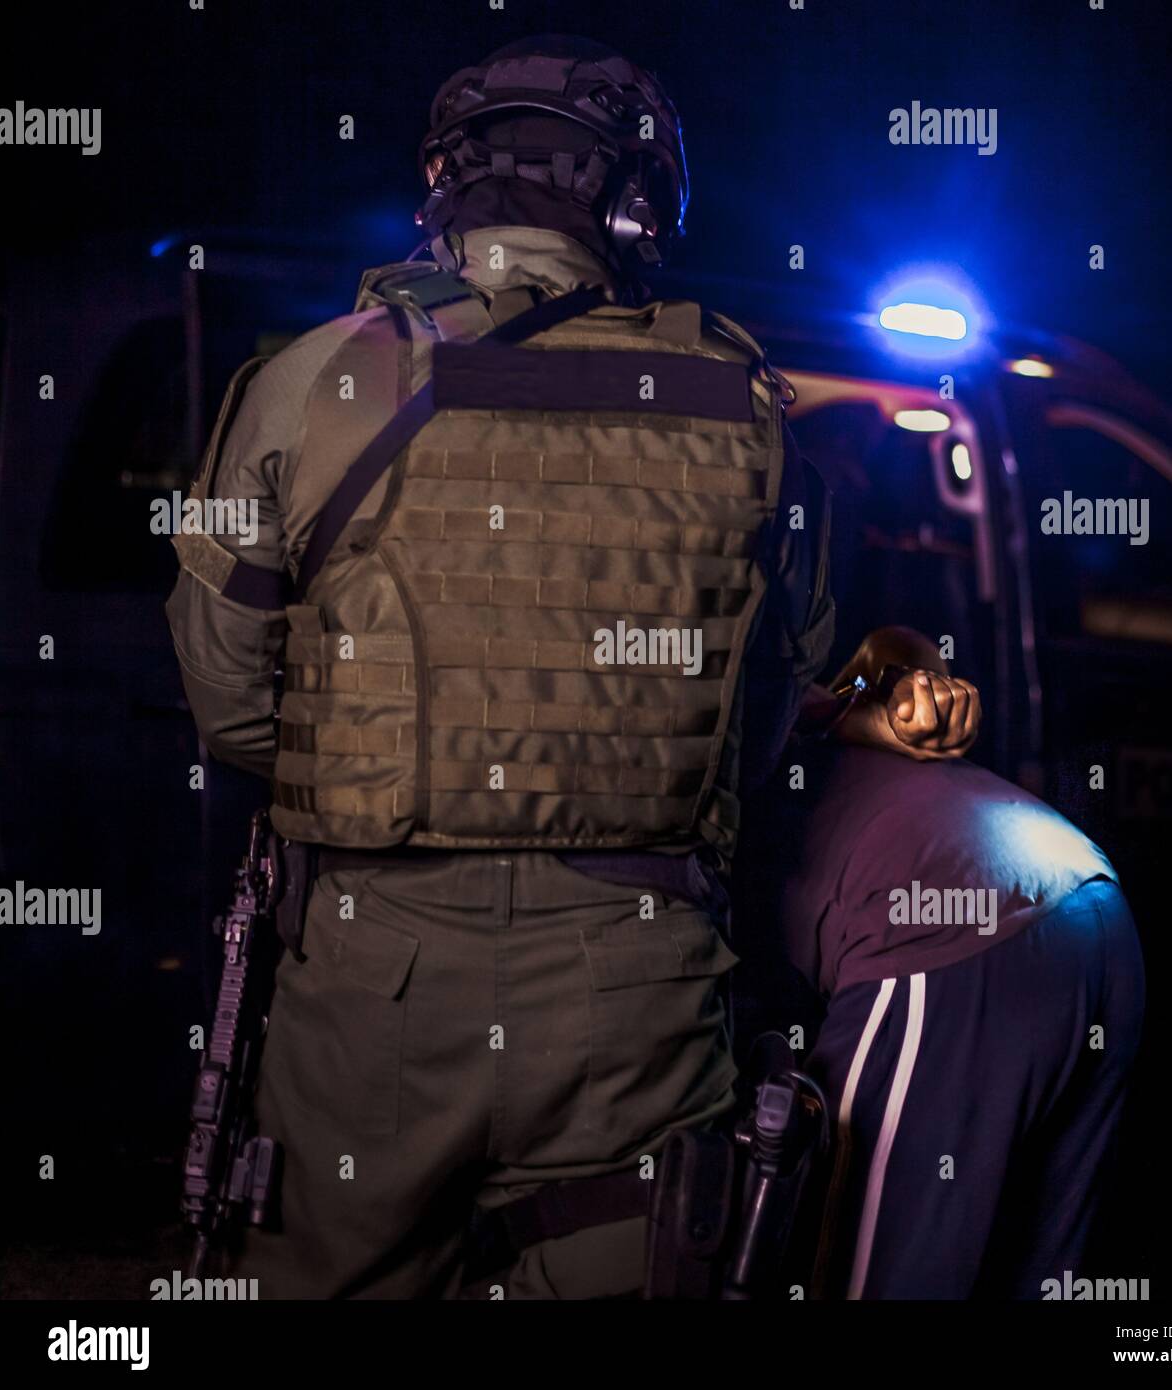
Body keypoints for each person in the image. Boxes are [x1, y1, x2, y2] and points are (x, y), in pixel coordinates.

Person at [165, 37, 978, 1299]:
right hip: (638, 982)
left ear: (447, 186)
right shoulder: (744, 401)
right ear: (639, 200)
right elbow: (783, 695)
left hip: (372, 975)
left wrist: (390, 775)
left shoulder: (306, 381)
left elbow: (227, 702)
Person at [733, 628, 1146, 1299]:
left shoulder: (746, 744)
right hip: (1096, 904)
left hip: (952, 924)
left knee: (861, 1278)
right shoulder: (815, 726)